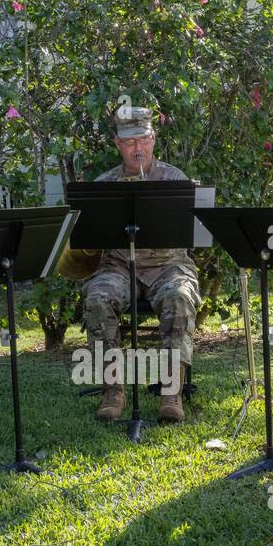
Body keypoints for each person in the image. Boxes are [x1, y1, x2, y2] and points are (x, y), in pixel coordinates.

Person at [80, 106, 201, 423]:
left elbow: (192, 236)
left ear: (153, 139)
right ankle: (113, 390)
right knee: (97, 298)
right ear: (117, 144)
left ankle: (171, 392)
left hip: (168, 265)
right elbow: (89, 243)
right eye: (130, 142)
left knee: (180, 296)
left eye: (143, 140)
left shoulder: (175, 179)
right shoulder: (104, 184)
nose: (137, 148)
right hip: (118, 266)